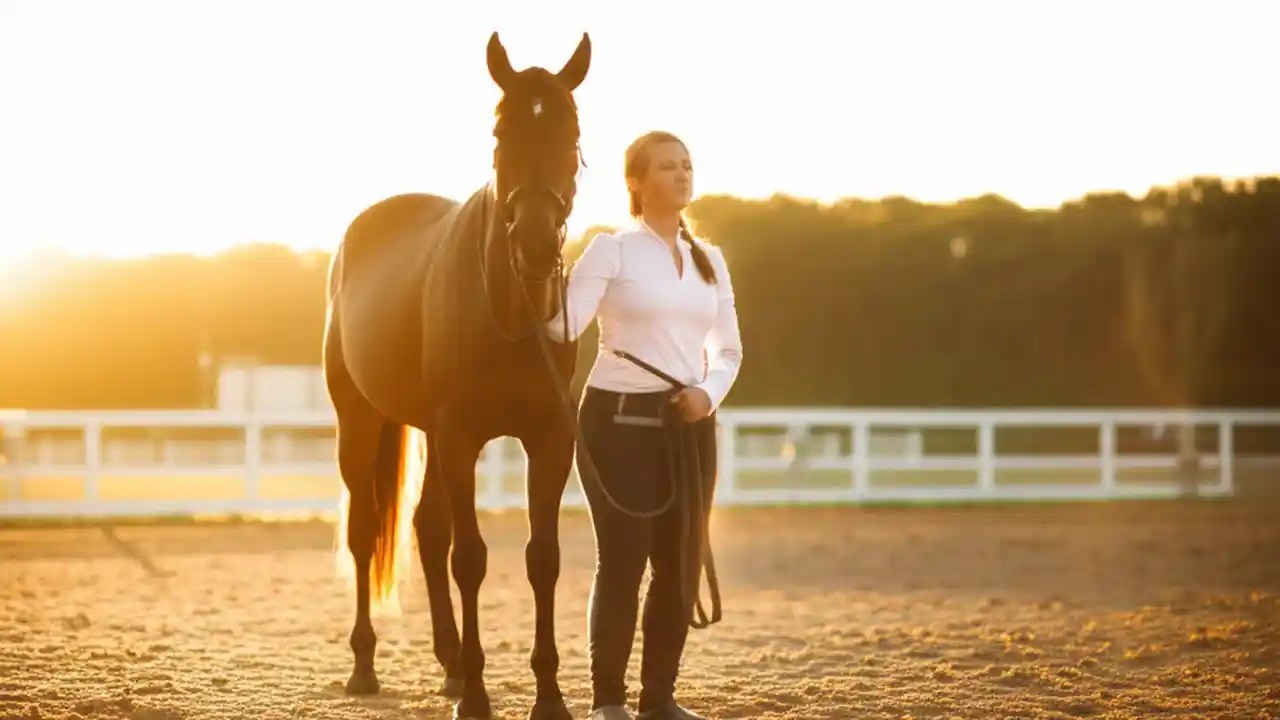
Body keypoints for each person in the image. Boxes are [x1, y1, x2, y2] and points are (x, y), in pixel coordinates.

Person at [546, 130, 743, 720]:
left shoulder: (711, 260)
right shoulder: (612, 250)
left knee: (680, 564)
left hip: (689, 427)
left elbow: (729, 351)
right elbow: (562, 327)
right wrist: (539, 275)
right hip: (619, 421)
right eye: (666, 167)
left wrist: (707, 397)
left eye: (686, 165)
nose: (682, 174)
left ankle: (659, 699)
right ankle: (609, 703)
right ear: (636, 182)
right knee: (625, 559)